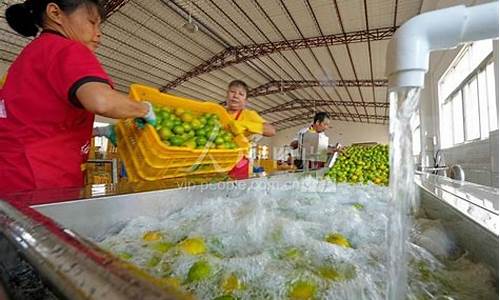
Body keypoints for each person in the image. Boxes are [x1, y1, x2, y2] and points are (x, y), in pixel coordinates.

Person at [0, 0, 156, 195]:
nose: (99, 32)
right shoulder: (66, 48)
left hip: (12, 176)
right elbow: (101, 101)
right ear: (55, 13)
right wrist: (145, 109)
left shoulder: (31, 55)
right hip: (41, 178)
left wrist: (100, 132)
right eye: (92, 22)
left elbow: (39, 123)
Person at [224, 80, 275, 180]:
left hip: (238, 164)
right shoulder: (218, 112)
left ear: (245, 100)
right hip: (217, 161)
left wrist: (245, 125)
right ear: (227, 94)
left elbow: (271, 130)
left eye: (241, 94)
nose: (235, 96)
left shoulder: (249, 115)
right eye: (232, 92)